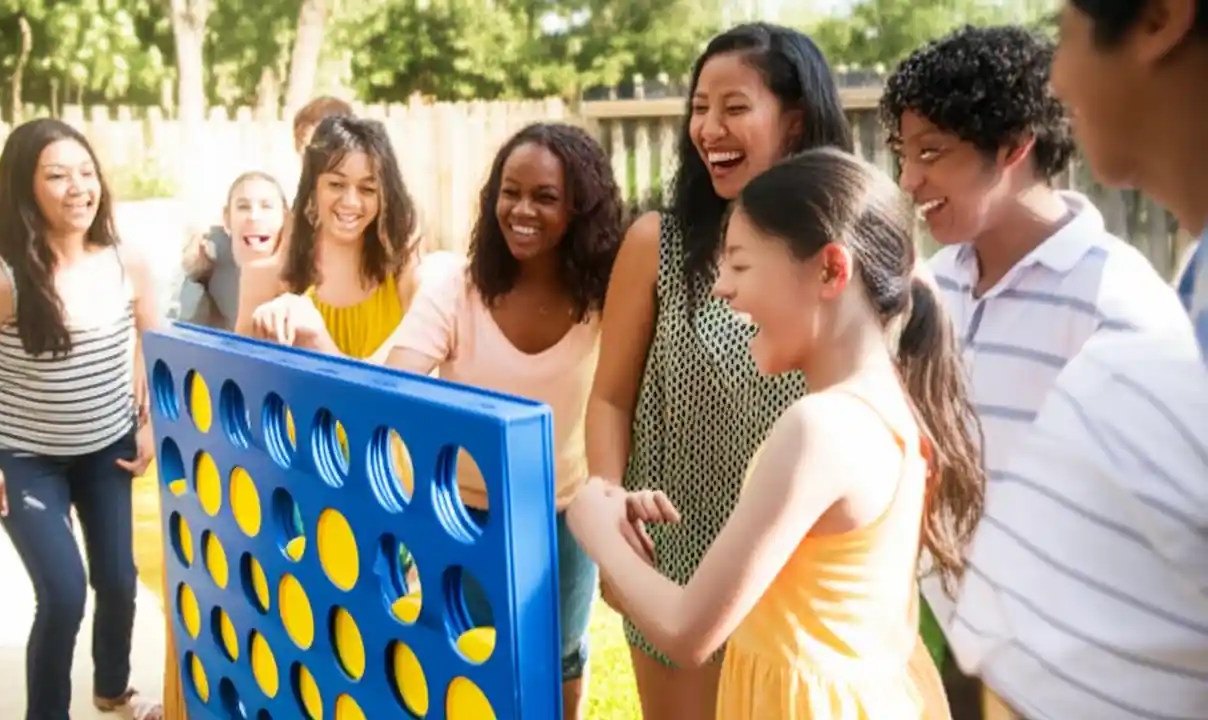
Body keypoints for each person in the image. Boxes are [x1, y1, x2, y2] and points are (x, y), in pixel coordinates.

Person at [569, 148, 983, 719]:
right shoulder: (885, 401)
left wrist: (593, 516)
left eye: (739, 265)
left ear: (830, 270)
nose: (722, 290)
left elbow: (687, 631)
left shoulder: (819, 429)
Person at [877, 23, 1191, 704]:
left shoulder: (1117, 301)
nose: (908, 179)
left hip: (1078, 663)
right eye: (903, 154)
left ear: (1015, 148)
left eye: (932, 153)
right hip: (953, 634)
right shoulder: (933, 284)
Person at [583, 23, 855, 717]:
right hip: (675, 556)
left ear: (795, 119)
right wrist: (613, 511)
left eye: (735, 107)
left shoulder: (843, 257)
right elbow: (610, 398)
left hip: (799, 574)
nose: (709, 127)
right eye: (700, 107)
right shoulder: (659, 244)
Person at [382, 122, 623, 718]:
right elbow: (399, 381)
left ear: (580, 209)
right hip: (460, 510)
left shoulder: (606, 296)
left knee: (561, 653)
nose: (521, 210)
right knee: (462, 652)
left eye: (545, 197)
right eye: (509, 192)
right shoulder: (456, 288)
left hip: (564, 514)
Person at [0, 118, 162, 720]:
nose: (78, 187)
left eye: (86, 173)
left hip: (105, 448)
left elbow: (157, 347)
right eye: (57, 175)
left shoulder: (127, 262)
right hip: (24, 459)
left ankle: (113, 689)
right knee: (64, 594)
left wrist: (148, 425)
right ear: (25, 187)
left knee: (118, 579)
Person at [239, 114, 423, 361]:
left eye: (367, 189)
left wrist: (318, 340)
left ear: (384, 197)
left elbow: (399, 377)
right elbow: (240, 382)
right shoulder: (265, 277)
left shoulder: (404, 267)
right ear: (313, 188)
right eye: (336, 184)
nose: (351, 202)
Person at [177, 96, 354, 327]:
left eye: (324, 151)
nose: (313, 162)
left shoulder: (371, 209)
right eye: (306, 152)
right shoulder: (301, 212)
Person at [178, 171, 289, 329]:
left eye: (267, 206)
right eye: (243, 207)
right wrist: (195, 278)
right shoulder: (213, 265)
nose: (254, 216)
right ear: (227, 218)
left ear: (286, 217)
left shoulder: (299, 276)